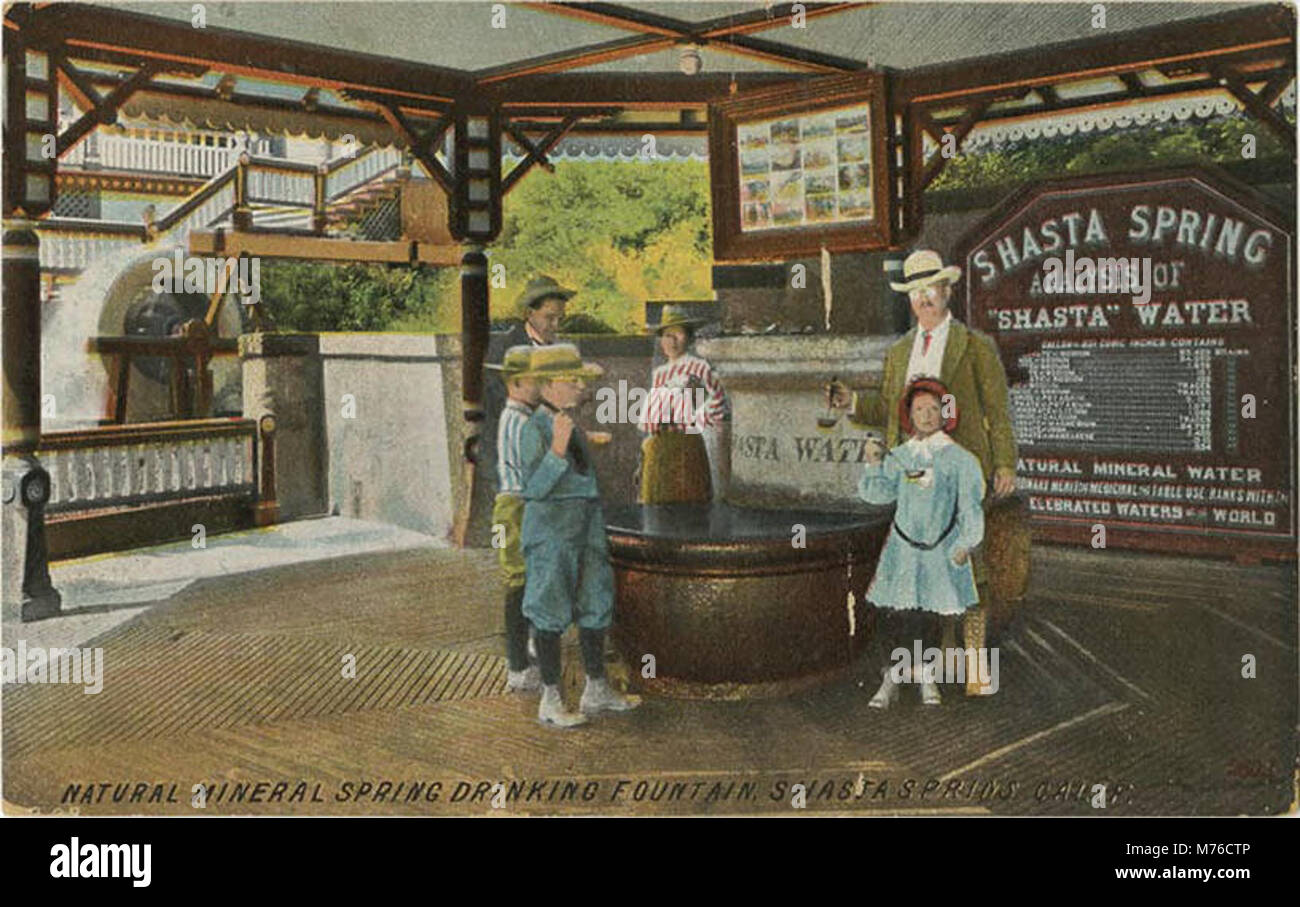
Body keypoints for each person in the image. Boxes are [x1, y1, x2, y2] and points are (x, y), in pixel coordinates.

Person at [828, 248, 1018, 694]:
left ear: (947, 290)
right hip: (915, 478)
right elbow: (891, 409)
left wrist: (1005, 462)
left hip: (960, 470)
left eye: (930, 289)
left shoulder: (975, 347)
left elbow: (997, 410)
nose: (923, 299)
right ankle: (944, 654)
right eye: (914, 292)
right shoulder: (898, 353)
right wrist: (852, 403)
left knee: (969, 563)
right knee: (931, 568)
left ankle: (974, 666)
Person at [516, 344, 642, 728]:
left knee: (596, 601)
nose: (579, 388)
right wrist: (557, 449)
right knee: (550, 610)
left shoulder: (569, 423)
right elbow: (533, 488)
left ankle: (596, 689)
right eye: (572, 381)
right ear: (550, 385)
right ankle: (551, 699)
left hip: (586, 526)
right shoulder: (534, 428)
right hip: (552, 532)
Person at [858, 378, 986, 708]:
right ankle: (891, 680)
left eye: (933, 409)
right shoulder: (900, 456)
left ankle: (927, 677)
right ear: (909, 415)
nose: (926, 416)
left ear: (946, 414)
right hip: (902, 551)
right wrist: (873, 463)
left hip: (939, 552)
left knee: (928, 617)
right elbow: (877, 494)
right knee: (894, 615)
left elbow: (969, 507)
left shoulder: (961, 460)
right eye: (919, 410)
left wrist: (965, 544)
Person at [485, 345, 542, 694]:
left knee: (527, 580)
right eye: (536, 381)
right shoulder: (521, 421)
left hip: (516, 505)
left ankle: (528, 651)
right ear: (516, 383)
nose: (541, 387)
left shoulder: (518, 417)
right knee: (518, 584)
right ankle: (517, 665)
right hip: (514, 506)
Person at [638, 305, 729, 504]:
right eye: (667, 335)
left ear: (688, 338)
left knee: (687, 497)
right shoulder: (660, 373)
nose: (672, 341)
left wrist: (696, 418)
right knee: (658, 499)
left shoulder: (699, 367)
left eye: (678, 334)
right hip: (659, 447)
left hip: (686, 446)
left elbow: (719, 400)